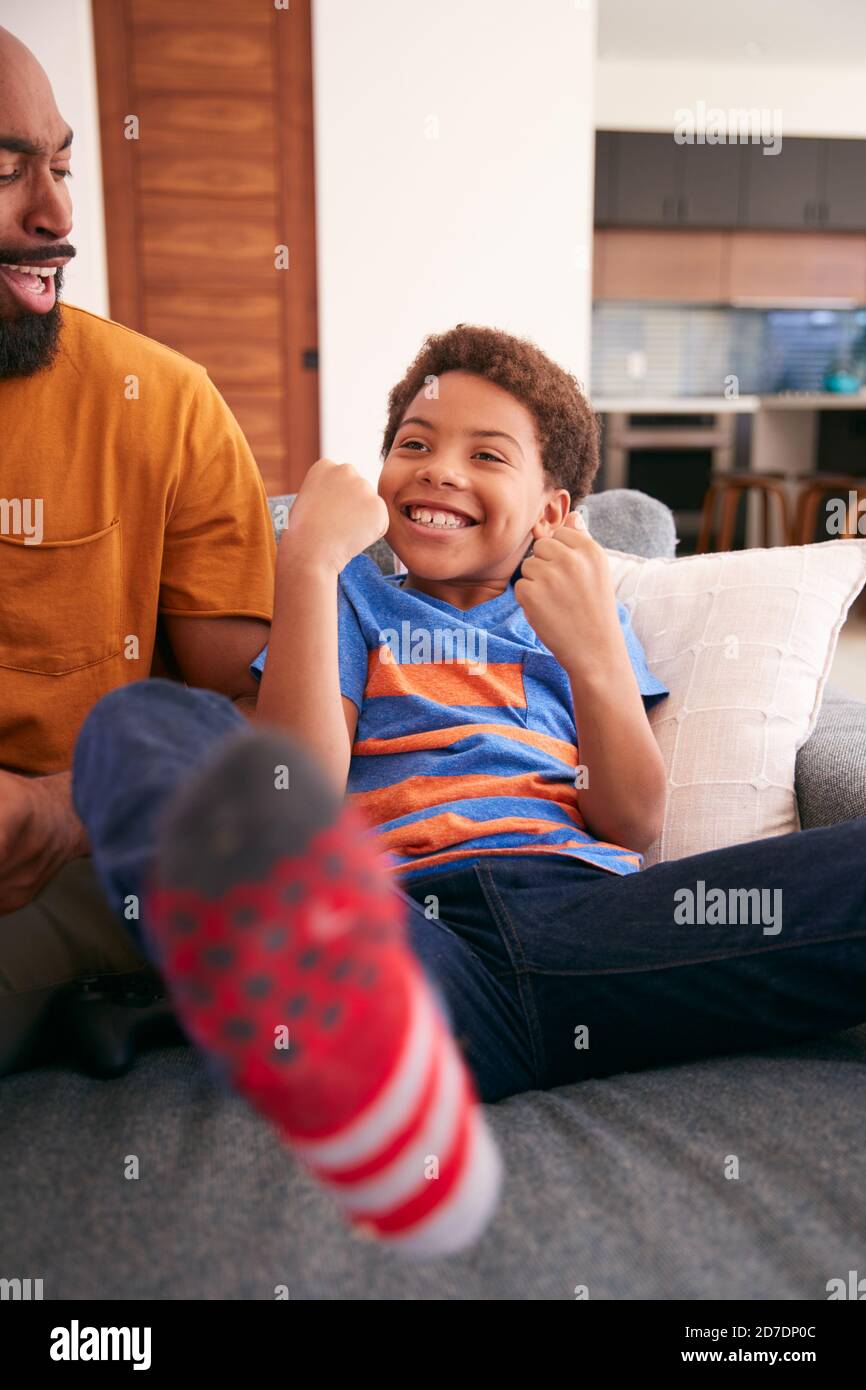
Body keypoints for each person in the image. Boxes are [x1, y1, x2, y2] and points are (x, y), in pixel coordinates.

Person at [71, 324, 866, 1259]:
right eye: (414, 444)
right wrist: (309, 567)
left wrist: (596, 653)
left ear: (553, 511)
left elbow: (634, 820)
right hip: (403, 936)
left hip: (594, 936)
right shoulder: (352, 602)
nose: (438, 470)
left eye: (485, 454)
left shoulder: (585, 617)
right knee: (146, 727)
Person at [0, 27, 276, 1074]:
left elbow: (259, 726)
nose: (57, 214)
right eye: (4, 169)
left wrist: (59, 809)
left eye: (62, 165)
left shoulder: (161, 403)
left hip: (71, 868)